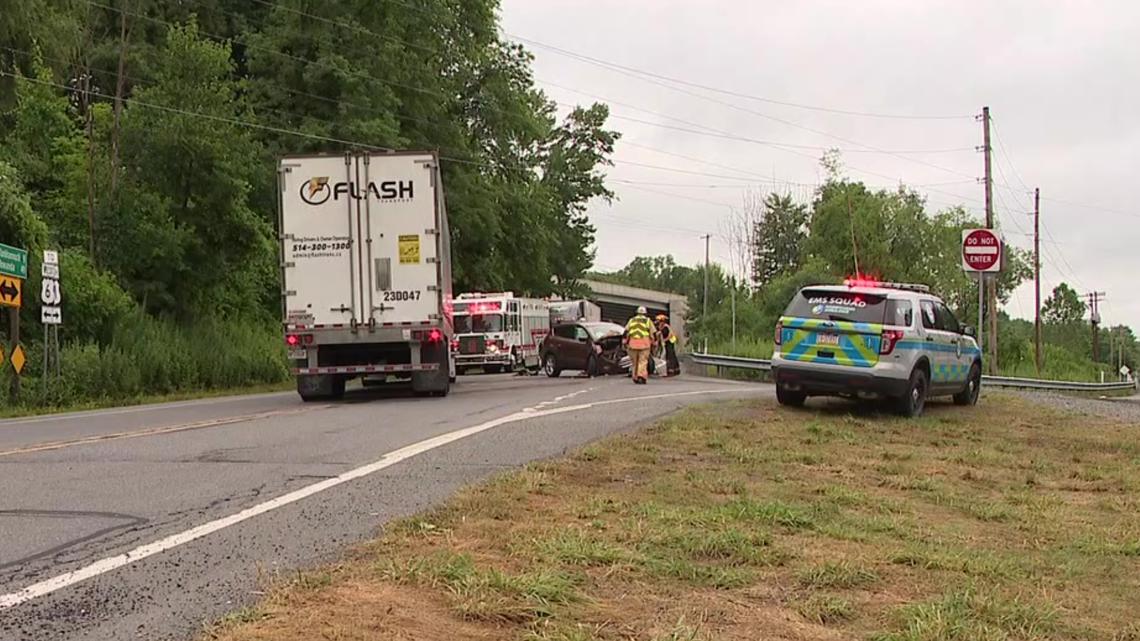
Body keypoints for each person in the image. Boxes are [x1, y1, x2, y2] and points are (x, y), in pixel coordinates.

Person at [624, 306, 656, 384]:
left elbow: (626, 331)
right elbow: (653, 332)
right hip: (644, 343)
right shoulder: (648, 321)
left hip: (633, 343)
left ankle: (635, 377)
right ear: (645, 313)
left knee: (634, 362)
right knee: (643, 361)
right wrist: (653, 341)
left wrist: (625, 341)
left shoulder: (631, 320)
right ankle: (641, 376)